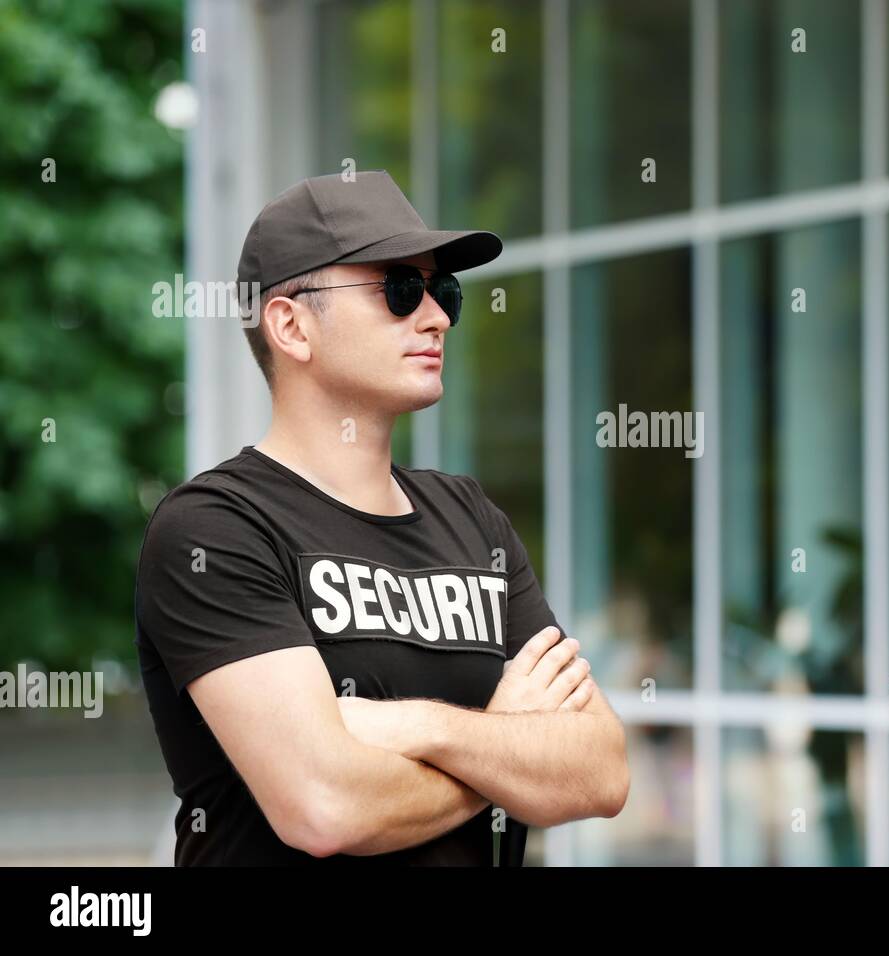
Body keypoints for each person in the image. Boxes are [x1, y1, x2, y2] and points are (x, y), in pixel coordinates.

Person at [134, 170, 629, 865]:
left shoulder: (473, 520)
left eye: (443, 290)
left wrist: (426, 728)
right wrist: (510, 751)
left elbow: (602, 772)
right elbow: (325, 808)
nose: (437, 317)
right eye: (400, 289)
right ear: (291, 326)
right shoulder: (216, 530)